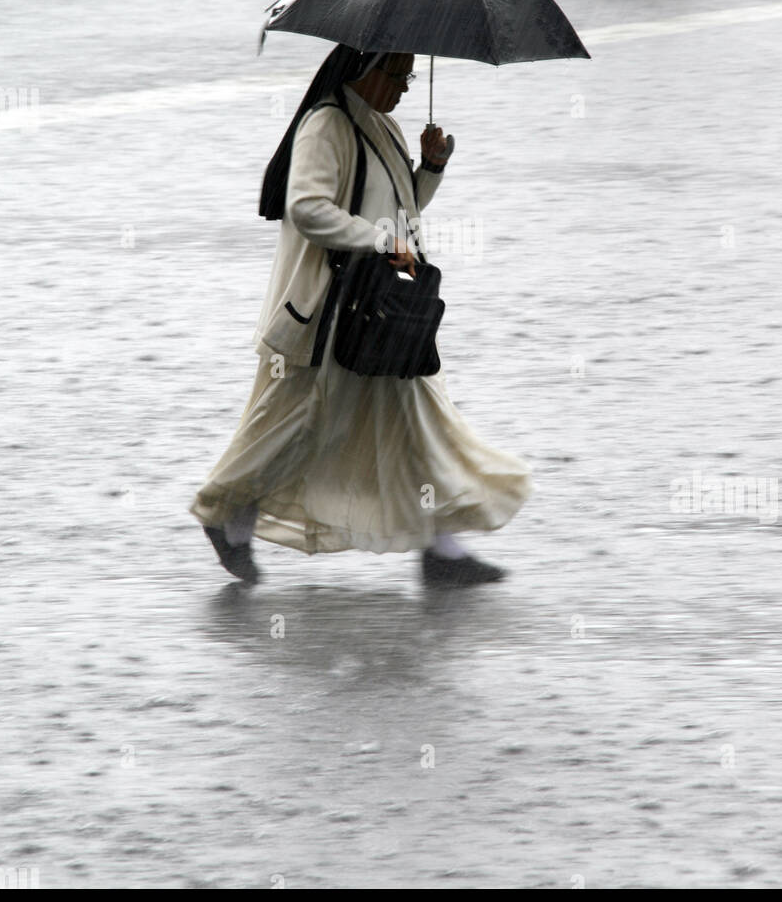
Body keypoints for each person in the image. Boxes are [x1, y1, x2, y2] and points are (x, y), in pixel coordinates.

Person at [189, 44, 532, 587]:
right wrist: (380, 240)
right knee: (295, 426)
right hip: (325, 316)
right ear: (364, 71)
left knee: (419, 423)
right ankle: (225, 512)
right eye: (396, 74)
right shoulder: (327, 123)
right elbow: (308, 207)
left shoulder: (385, 127)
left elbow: (400, 210)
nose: (403, 86)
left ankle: (442, 548)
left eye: (408, 76)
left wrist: (431, 167)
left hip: (377, 307)